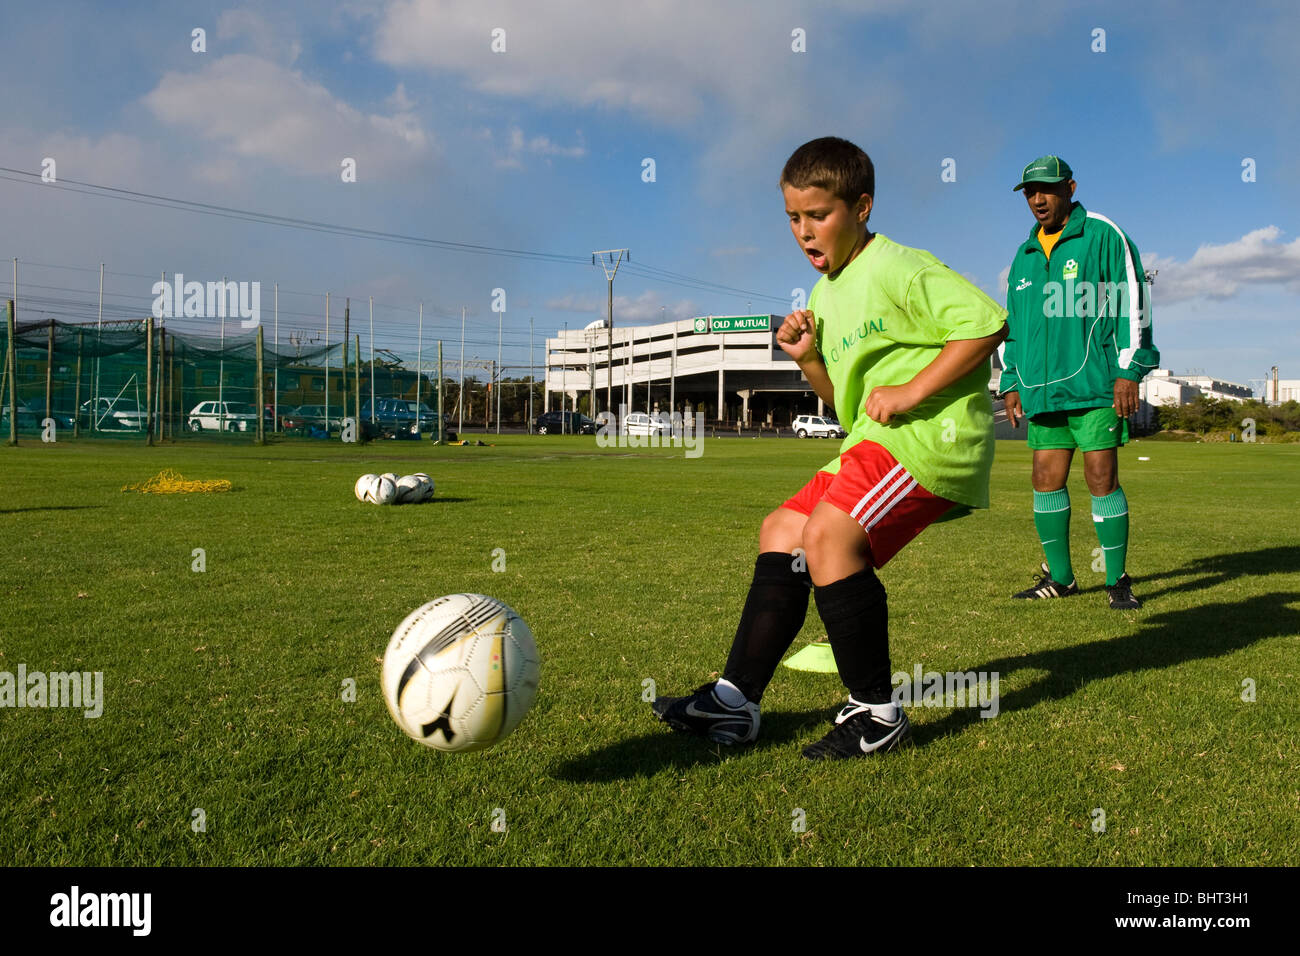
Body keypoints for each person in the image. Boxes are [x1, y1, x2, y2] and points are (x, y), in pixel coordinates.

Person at [650, 136, 1008, 758]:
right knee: (783, 529)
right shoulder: (823, 294)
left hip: (927, 442)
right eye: (793, 217)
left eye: (819, 215)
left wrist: (911, 388)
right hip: (873, 441)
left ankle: (877, 713)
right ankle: (734, 703)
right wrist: (808, 357)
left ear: (862, 207)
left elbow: (985, 322)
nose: (805, 232)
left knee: (827, 538)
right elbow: (845, 404)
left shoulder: (898, 266)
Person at [999, 156, 1159, 610]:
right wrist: (1011, 379)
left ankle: (1117, 581)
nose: (1037, 200)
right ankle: (1062, 579)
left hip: (1096, 386)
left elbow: (1136, 301)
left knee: (1100, 478)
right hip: (1043, 392)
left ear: (1070, 187)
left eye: (1046, 190)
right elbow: (1016, 325)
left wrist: (1130, 368)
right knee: (1045, 479)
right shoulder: (1024, 254)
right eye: (1029, 192)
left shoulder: (1104, 234)